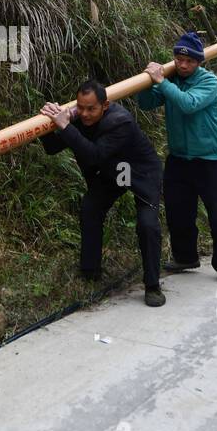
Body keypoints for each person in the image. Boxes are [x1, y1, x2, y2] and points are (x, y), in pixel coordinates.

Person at [40, 80, 166, 307]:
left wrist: (66, 126)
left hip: (139, 171)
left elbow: (94, 155)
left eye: (91, 109)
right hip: (114, 171)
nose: (85, 114)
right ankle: (91, 271)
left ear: (105, 106)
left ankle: (153, 285)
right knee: (91, 208)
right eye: (81, 107)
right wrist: (48, 124)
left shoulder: (121, 122)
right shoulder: (78, 117)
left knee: (147, 225)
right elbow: (52, 148)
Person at [138, 31, 217, 285]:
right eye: (179, 59)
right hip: (179, 159)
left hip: (210, 160)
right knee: (178, 212)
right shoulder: (171, 80)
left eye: (189, 61)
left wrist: (162, 81)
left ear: (199, 62)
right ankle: (186, 257)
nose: (183, 65)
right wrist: (146, 82)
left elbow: (188, 104)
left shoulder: (209, 82)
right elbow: (147, 104)